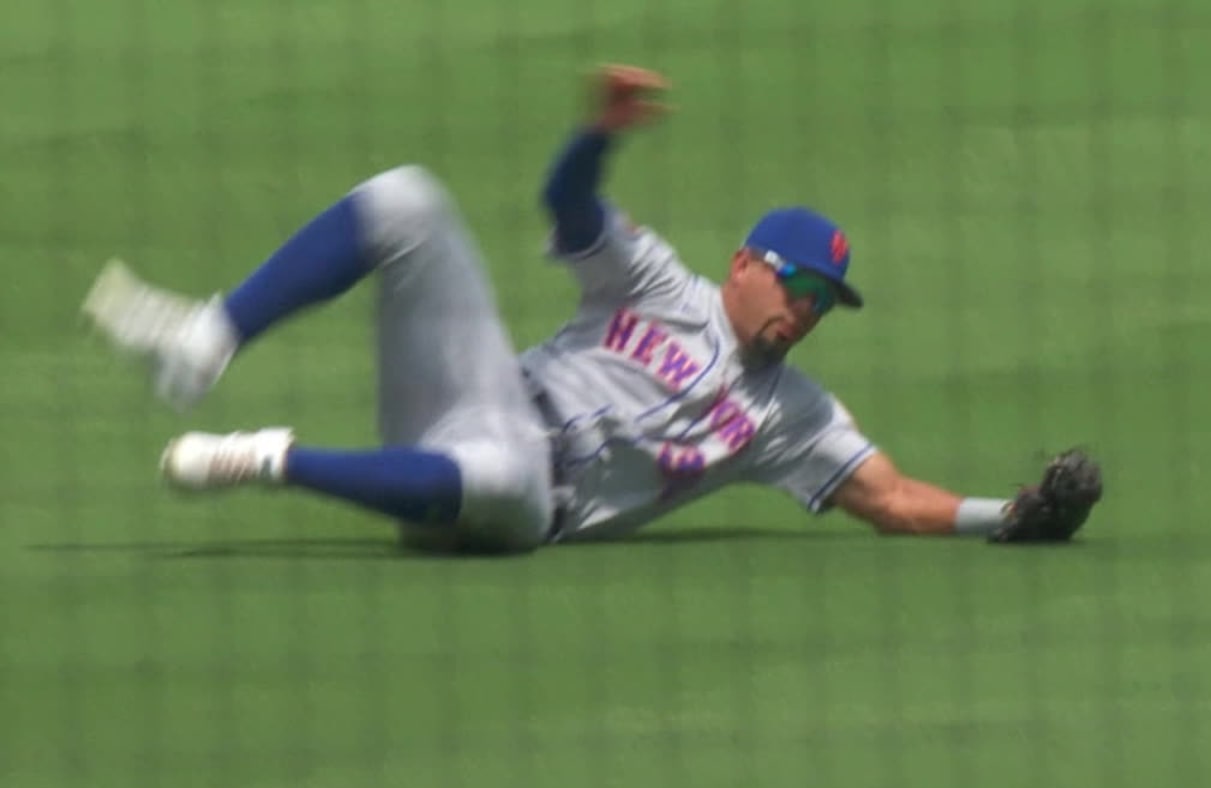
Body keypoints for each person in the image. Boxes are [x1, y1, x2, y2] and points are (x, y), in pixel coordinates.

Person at [82, 64, 1102, 553]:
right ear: (745, 264)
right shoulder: (659, 285)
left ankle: (271, 458)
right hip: (472, 401)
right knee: (408, 198)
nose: (806, 311)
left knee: (509, 474)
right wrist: (596, 137)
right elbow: (568, 209)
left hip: (524, 505)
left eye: (824, 303)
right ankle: (203, 340)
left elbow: (888, 499)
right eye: (798, 285)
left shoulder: (794, 415)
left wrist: (1004, 518)